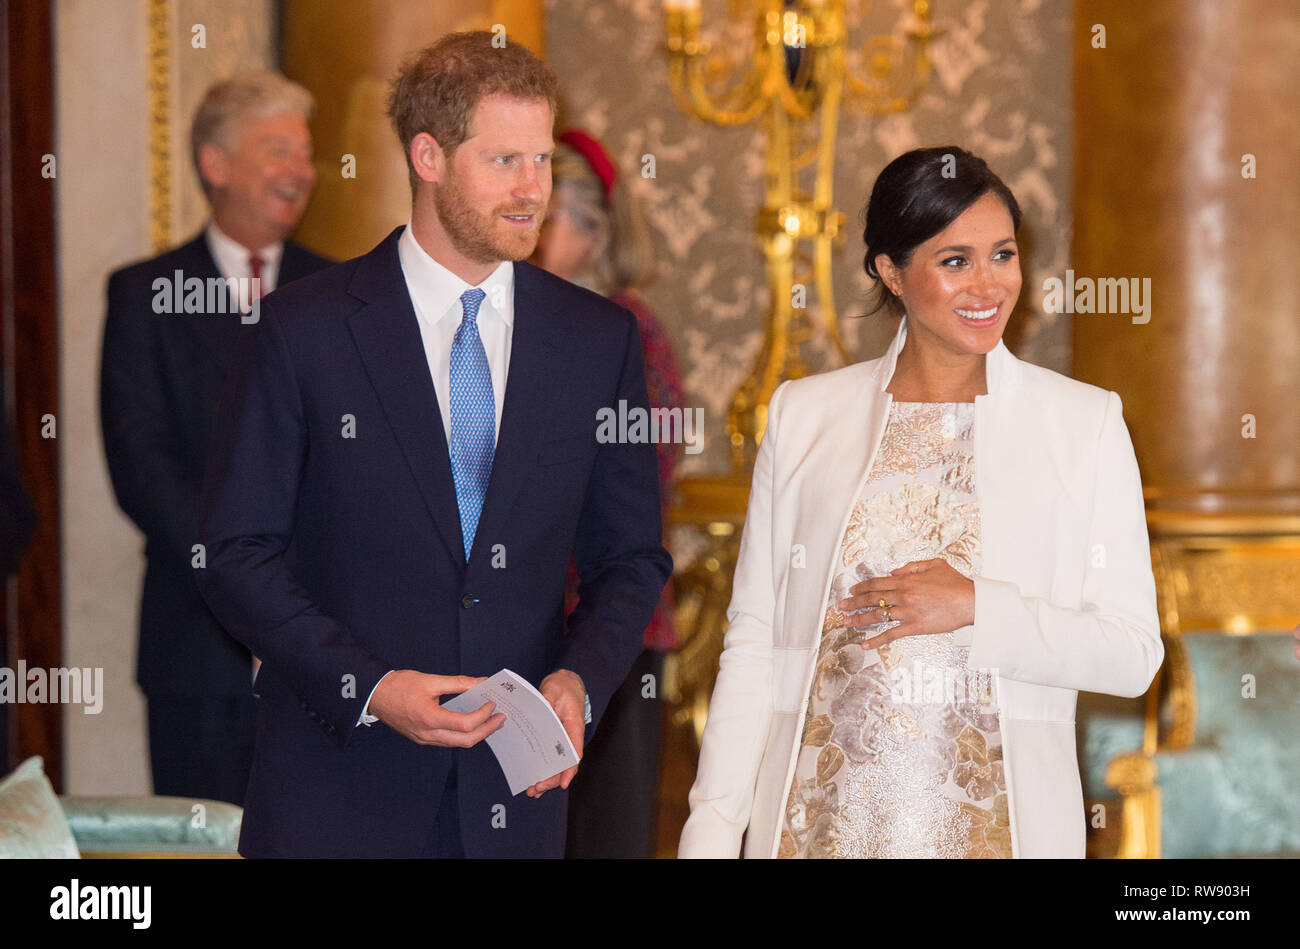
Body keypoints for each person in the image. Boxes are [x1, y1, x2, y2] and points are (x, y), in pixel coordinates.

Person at [194, 32, 672, 858]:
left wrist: (578, 681)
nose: (534, 193)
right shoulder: (303, 331)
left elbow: (630, 559)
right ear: (429, 156)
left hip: (515, 801)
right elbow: (235, 553)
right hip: (335, 792)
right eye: (504, 162)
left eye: (541, 161)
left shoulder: (599, 340)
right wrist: (372, 688)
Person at [678, 146, 1164, 859]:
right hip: (813, 831)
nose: (989, 284)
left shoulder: (1082, 425)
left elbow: (1132, 654)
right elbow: (754, 642)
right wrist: (712, 836)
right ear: (891, 272)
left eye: (1002, 254)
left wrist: (977, 603)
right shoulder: (805, 415)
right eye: (955, 260)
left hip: (998, 832)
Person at [100, 72, 329, 806]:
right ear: (215, 163)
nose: (301, 170)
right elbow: (141, 465)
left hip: (323, 643)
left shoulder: (345, 293)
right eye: (278, 149)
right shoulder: (143, 294)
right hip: (196, 650)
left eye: (306, 151)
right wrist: (242, 580)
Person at [532, 129, 684, 858]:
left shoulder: (627, 328)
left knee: (605, 831)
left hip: (611, 635)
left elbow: (644, 479)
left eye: (552, 212)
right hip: (517, 628)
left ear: (594, 232)